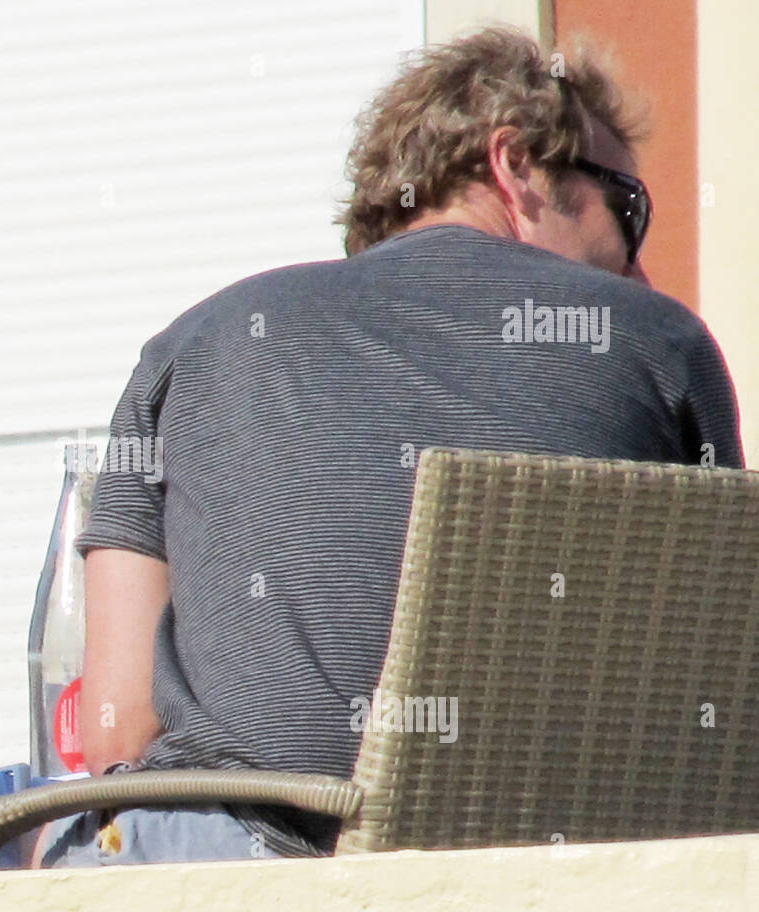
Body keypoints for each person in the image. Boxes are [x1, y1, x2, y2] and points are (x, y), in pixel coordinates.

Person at [38, 27, 743, 865]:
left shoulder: (187, 347)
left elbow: (120, 729)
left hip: (228, 869)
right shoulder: (659, 340)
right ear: (515, 163)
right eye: (626, 206)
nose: (639, 264)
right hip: (547, 877)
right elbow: (721, 700)